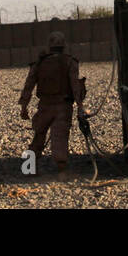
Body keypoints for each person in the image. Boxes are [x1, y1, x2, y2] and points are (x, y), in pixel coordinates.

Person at [19, 31, 86, 177]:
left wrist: (24, 106)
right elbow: (75, 85)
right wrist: (80, 106)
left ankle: (28, 169)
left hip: (44, 105)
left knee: (38, 136)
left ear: (49, 45)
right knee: (59, 137)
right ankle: (62, 171)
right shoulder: (70, 62)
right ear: (63, 45)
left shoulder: (40, 62)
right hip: (63, 105)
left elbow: (28, 85)